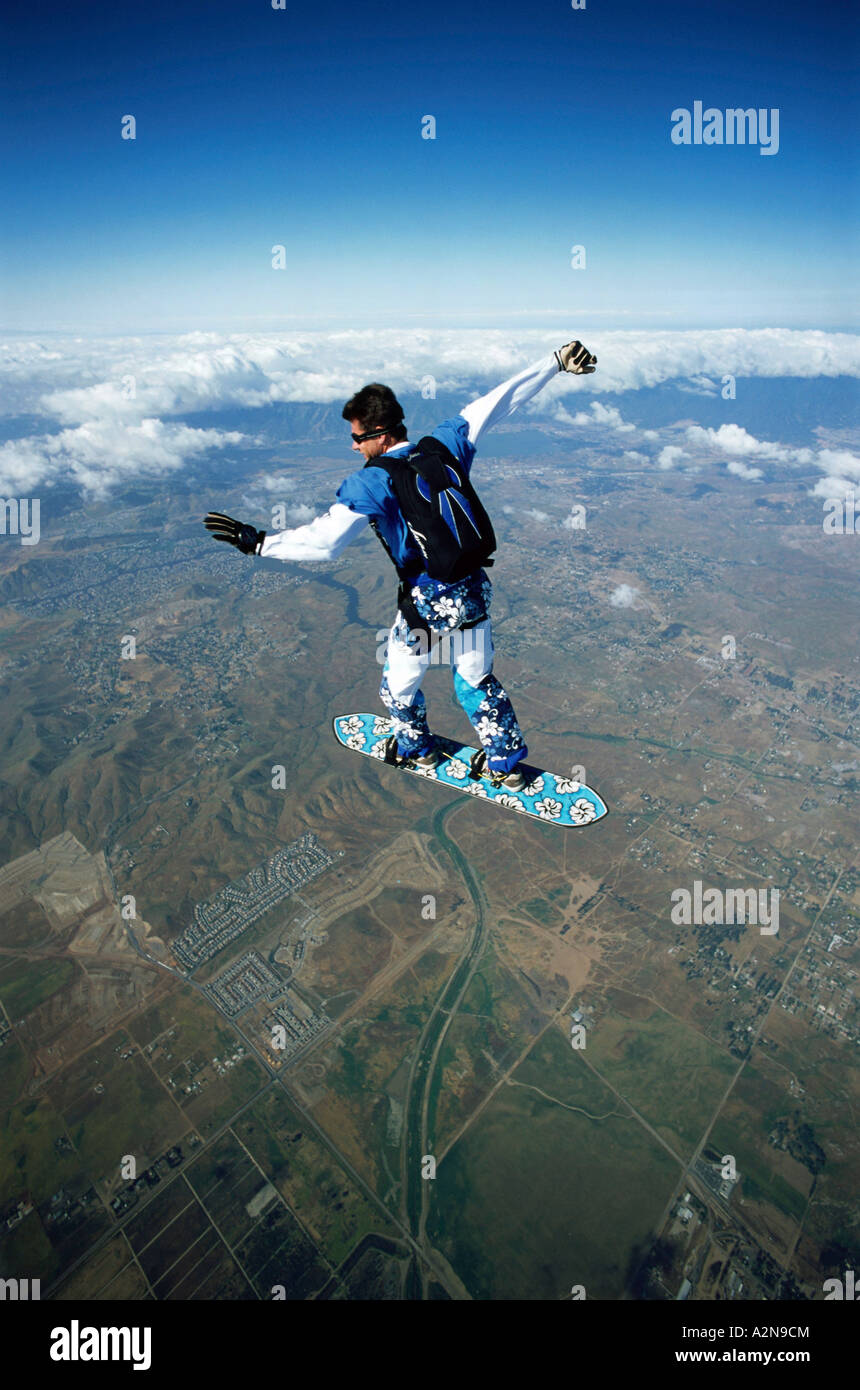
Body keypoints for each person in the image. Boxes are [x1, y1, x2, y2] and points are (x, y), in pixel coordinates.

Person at [204, 339, 596, 791]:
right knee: (476, 681)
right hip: (471, 591)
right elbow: (495, 403)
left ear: (378, 434)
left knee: (398, 686)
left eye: (356, 438)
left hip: (425, 606)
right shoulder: (442, 446)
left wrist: (259, 544)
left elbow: (325, 542)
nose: (353, 447)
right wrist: (553, 363)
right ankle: (503, 763)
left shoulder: (372, 481)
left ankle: (418, 748)